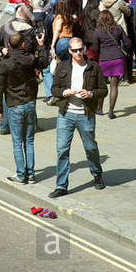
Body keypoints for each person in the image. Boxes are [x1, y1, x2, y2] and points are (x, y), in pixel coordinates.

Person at [49, 37, 107, 197]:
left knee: (90, 147)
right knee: (62, 150)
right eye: (74, 50)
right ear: (69, 51)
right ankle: (61, 186)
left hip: (85, 115)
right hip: (66, 114)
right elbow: (54, 88)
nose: (78, 53)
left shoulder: (93, 67)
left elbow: (103, 90)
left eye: (80, 49)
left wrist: (90, 94)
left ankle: (97, 174)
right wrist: (63, 92)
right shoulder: (63, 67)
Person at [0, 31, 46, 184]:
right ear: (23, 44)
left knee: (17, 141)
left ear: (9, 45)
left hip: (14, 104)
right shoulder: (30, 59)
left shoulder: (4, 63)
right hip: (29, 103)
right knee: (29, 140)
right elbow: (43, 63)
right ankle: (31, 174)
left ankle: (20, 174)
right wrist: (41, 46)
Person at [91, 9, 132, 119]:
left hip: (104, 59)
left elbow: (95, 48)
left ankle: (99, 108)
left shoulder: (98, 31)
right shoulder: (118, 28)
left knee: (101, 85)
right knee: (114, 86)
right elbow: (128, 43)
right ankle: (111, 111)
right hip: (118, 58)